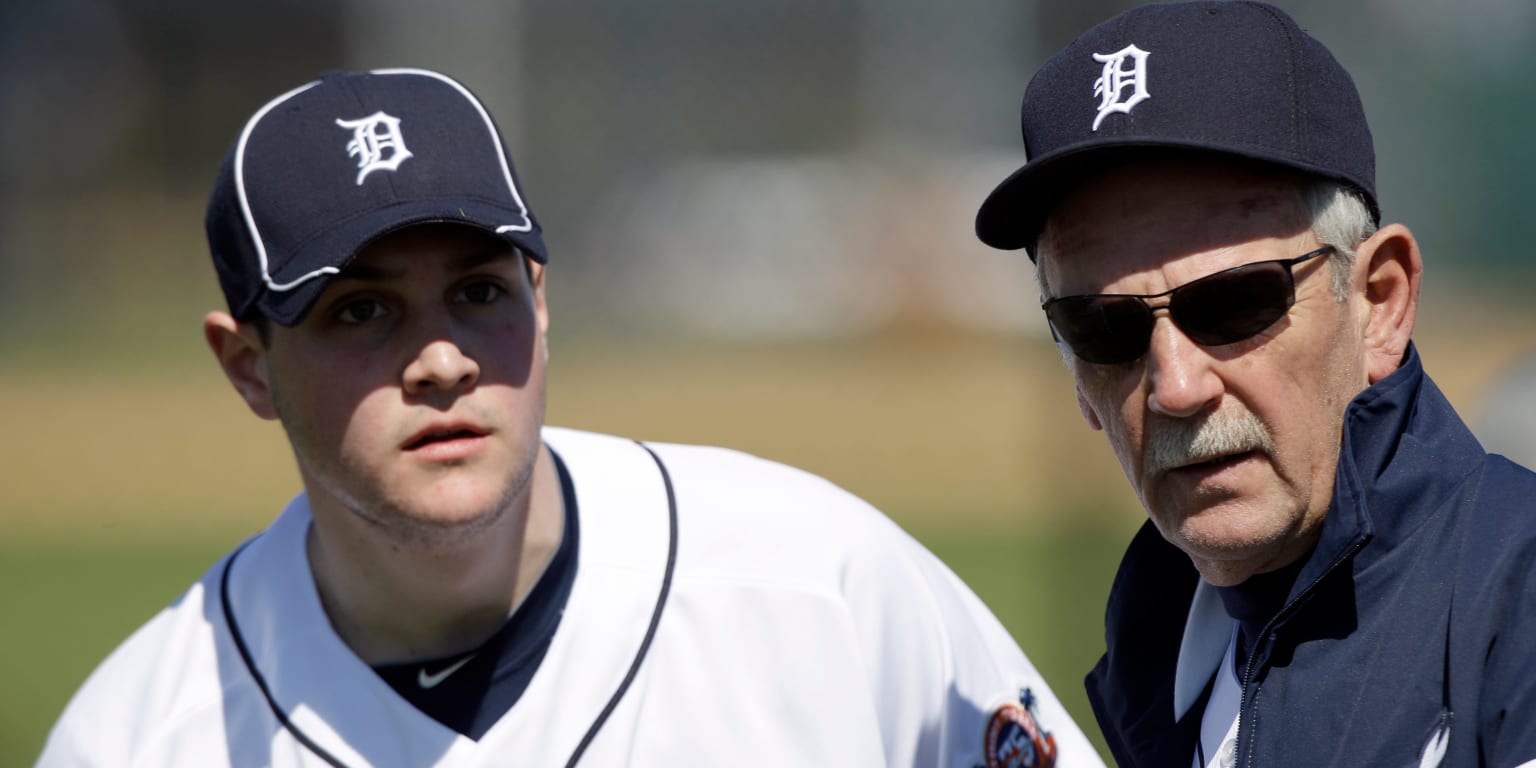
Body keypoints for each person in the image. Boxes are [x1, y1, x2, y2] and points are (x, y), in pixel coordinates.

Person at [39, 68, 1100, 767]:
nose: (442, 360)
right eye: (360, 310)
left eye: (478, 292)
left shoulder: (819, 585)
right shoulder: (139, 735)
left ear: (540, 304)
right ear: (247, 367)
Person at [974, 2, 1536, 766]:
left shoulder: (1513, 607)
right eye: (1104, 327)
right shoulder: (1160, 658)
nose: (1177, 387)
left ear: (1379, 302)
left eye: (1235, 302)